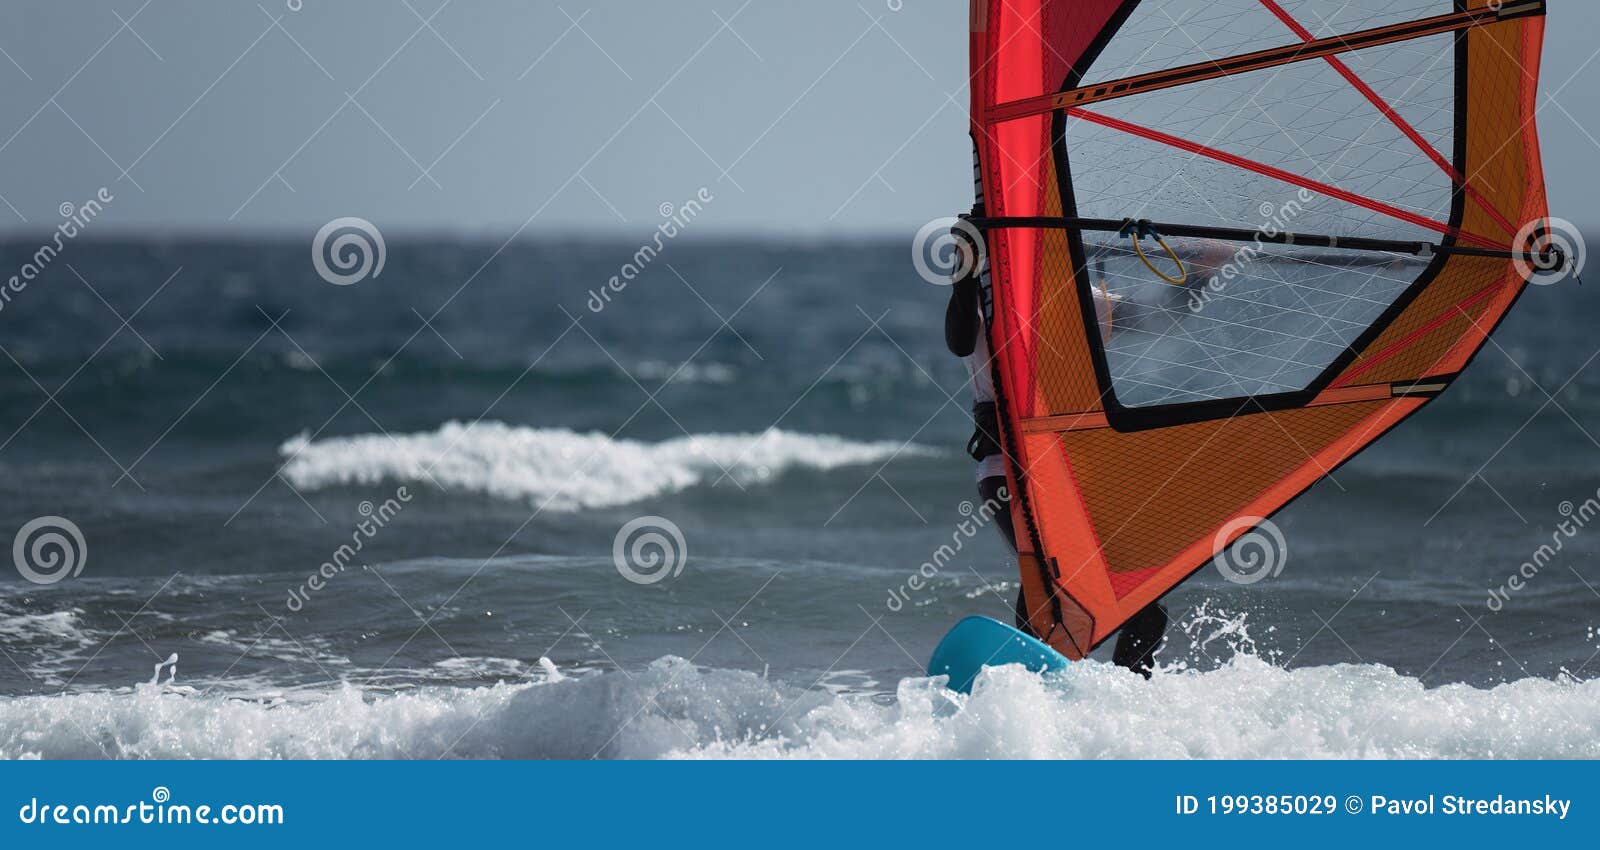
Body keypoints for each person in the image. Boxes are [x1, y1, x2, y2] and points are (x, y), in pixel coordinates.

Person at [944, 225, 1168, 678]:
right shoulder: (992, 298)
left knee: (1145, 608)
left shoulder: (1084, 301)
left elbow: (1163, 315)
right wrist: (964, 273)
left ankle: (1125, 702)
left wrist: (1204, 273)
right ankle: (1028, 692)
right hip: (1007, 472)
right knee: (1049, 589)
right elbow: (960, 339)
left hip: (1069, 476)